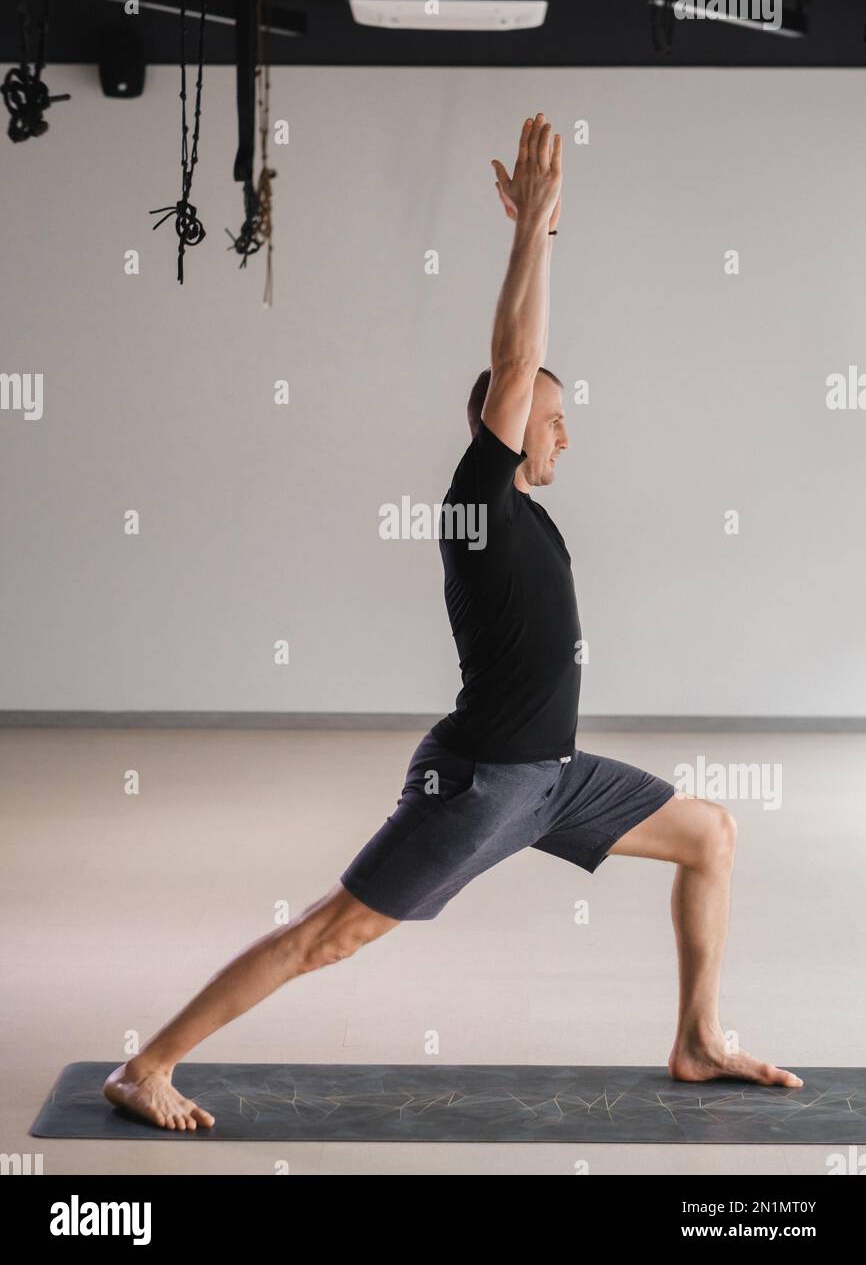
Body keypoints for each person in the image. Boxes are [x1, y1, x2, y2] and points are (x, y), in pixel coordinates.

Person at [103, 113, 801, 1132]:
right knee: (331, 935)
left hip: (552, 779)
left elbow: (526, 374)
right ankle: (148, 1065)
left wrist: (544, 239)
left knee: (710, 833)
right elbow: (516, 361)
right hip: (478, 784)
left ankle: (697, 1039)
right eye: (551, 418)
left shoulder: (525, 511)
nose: (565, 432)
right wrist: (531, 236)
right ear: (505, 426)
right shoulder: (477, 497)